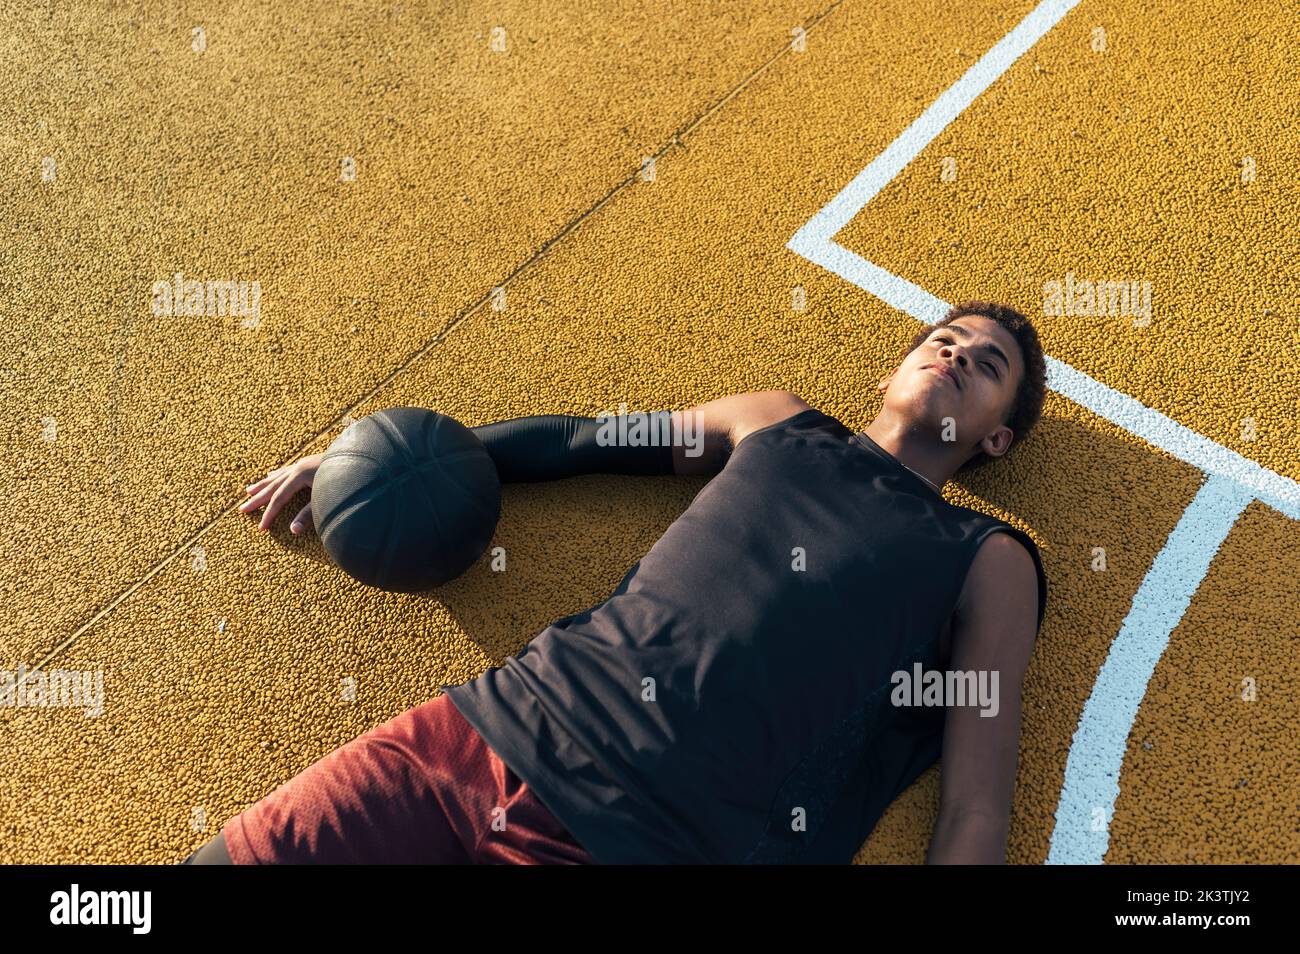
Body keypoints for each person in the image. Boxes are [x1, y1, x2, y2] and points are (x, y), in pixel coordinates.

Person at [183, 298, 1048, 865]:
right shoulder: (776, 421)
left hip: (649, 836)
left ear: (996, 440)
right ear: (889, 374)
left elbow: (975, 806)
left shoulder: (985, 558)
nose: (957, 357)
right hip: (492, 731)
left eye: (987, 366)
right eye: (944, 341)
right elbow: (589, 440)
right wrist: (367, 468)